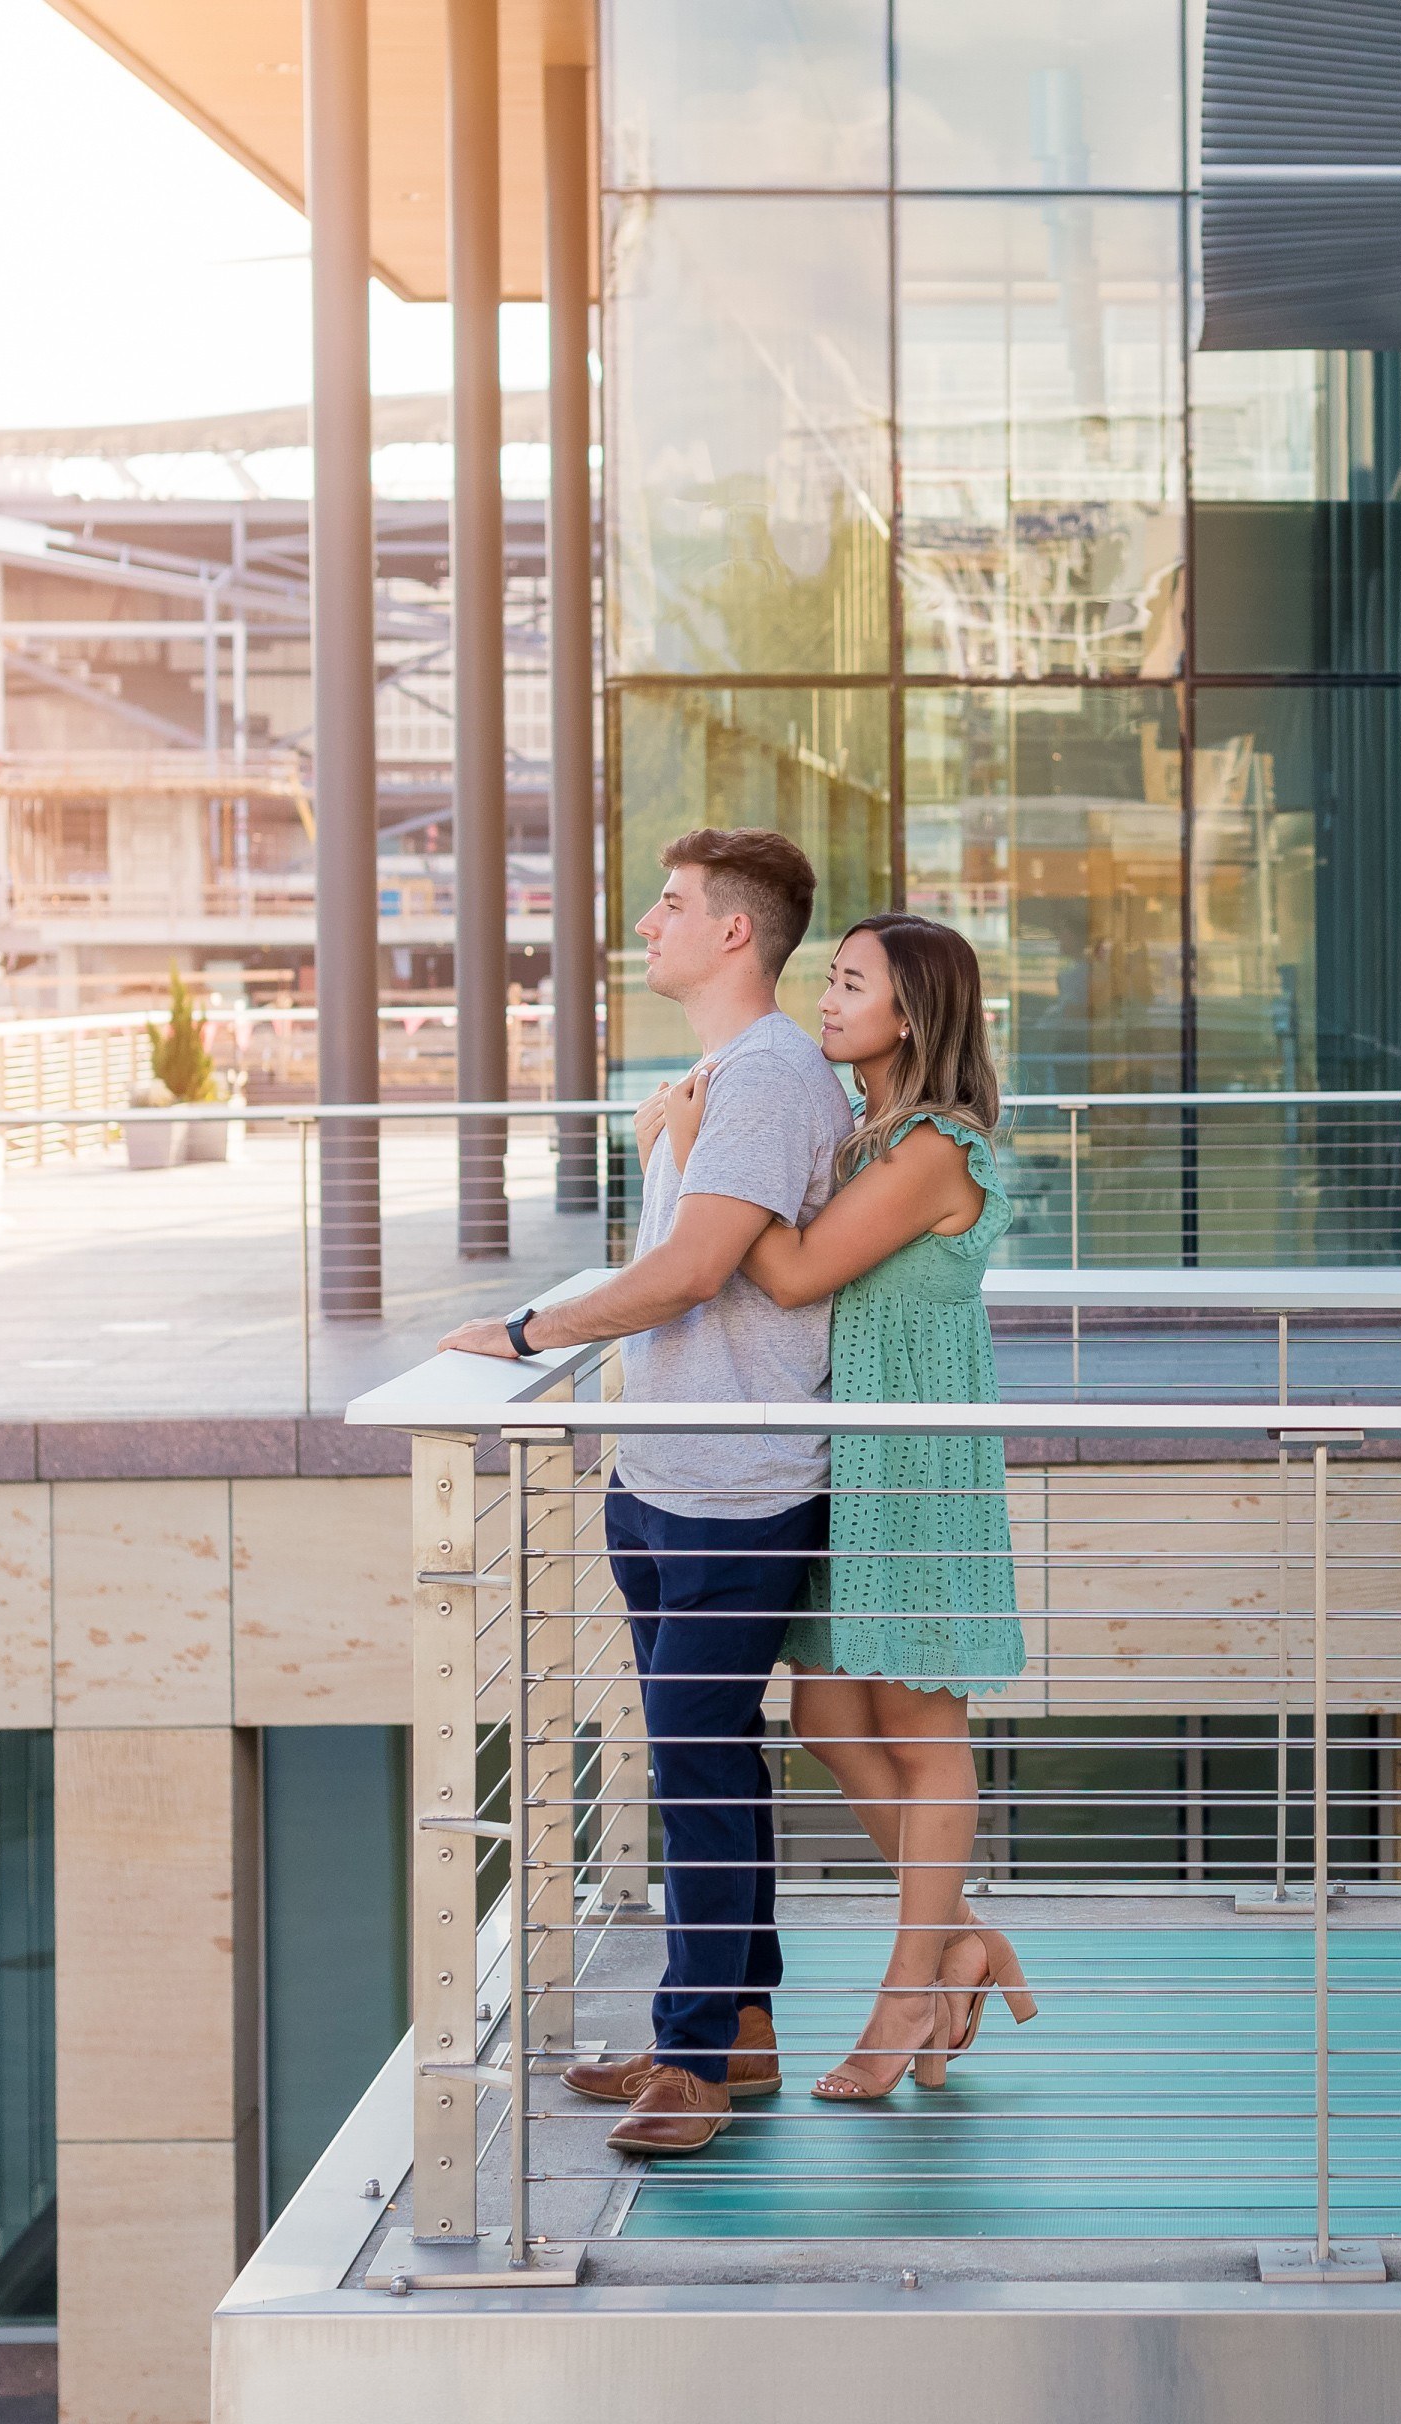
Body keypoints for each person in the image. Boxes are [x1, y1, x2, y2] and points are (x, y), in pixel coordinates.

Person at [440, 826, 847, 2161]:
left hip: (738, 1485)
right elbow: (677, 1259)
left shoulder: (773, 1078)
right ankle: (730, 2032)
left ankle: (696, 2062)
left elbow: (687, 1277)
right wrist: (647, 1142)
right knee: (696, 1763)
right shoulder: (718, 1078)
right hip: (663, 1475)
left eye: (672, 905)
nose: (648, 922)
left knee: (700, 1768)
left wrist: (524, 1330)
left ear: (738, 933)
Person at [654, 912, 1034, 2101]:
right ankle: (959, 1938)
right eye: (827, 979)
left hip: (915, 1464)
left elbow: (793, 1270)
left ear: (909, 1014)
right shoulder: (870, 1132)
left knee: (922, 1729)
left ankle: (905, 1995)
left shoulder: (931, 1145)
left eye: (851, 983)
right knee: (825, 1716)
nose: (824, 1000)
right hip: (851, 1461)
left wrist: (714, 1151)